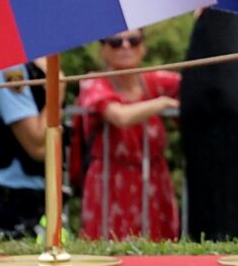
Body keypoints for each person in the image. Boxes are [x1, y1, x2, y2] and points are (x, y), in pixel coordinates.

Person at [76, 30, 182, 241]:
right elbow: (120, 117)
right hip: (110, 184)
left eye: (133, 41)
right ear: (103, 49)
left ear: (143, 47)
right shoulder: (93, 83)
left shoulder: (155, 81)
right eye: (116, 42)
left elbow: (199, 84)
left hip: (154, 183)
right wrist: (162, 103)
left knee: (159, 252)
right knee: (107, 249)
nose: (125, 46)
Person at [0, 58, 49, 237]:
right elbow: (37, 145)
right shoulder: (5, 67)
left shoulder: (32, 64)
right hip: (14, 201)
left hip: (35, 194)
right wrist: (57, 92)